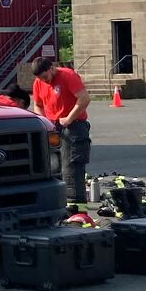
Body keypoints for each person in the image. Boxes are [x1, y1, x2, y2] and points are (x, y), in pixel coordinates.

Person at [30, 54, 91, 213]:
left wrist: (69, 118)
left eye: (46, 77)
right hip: (52, 126)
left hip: (73, 125)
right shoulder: (39, 82)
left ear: (51, 68)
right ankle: (56, 203)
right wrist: (43, 120)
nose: (45, 81)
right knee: (51, 165)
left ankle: (77, 208)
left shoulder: (67, 76)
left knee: (71, 166)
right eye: (41, 79)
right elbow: (37, 105)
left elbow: (84, 99)